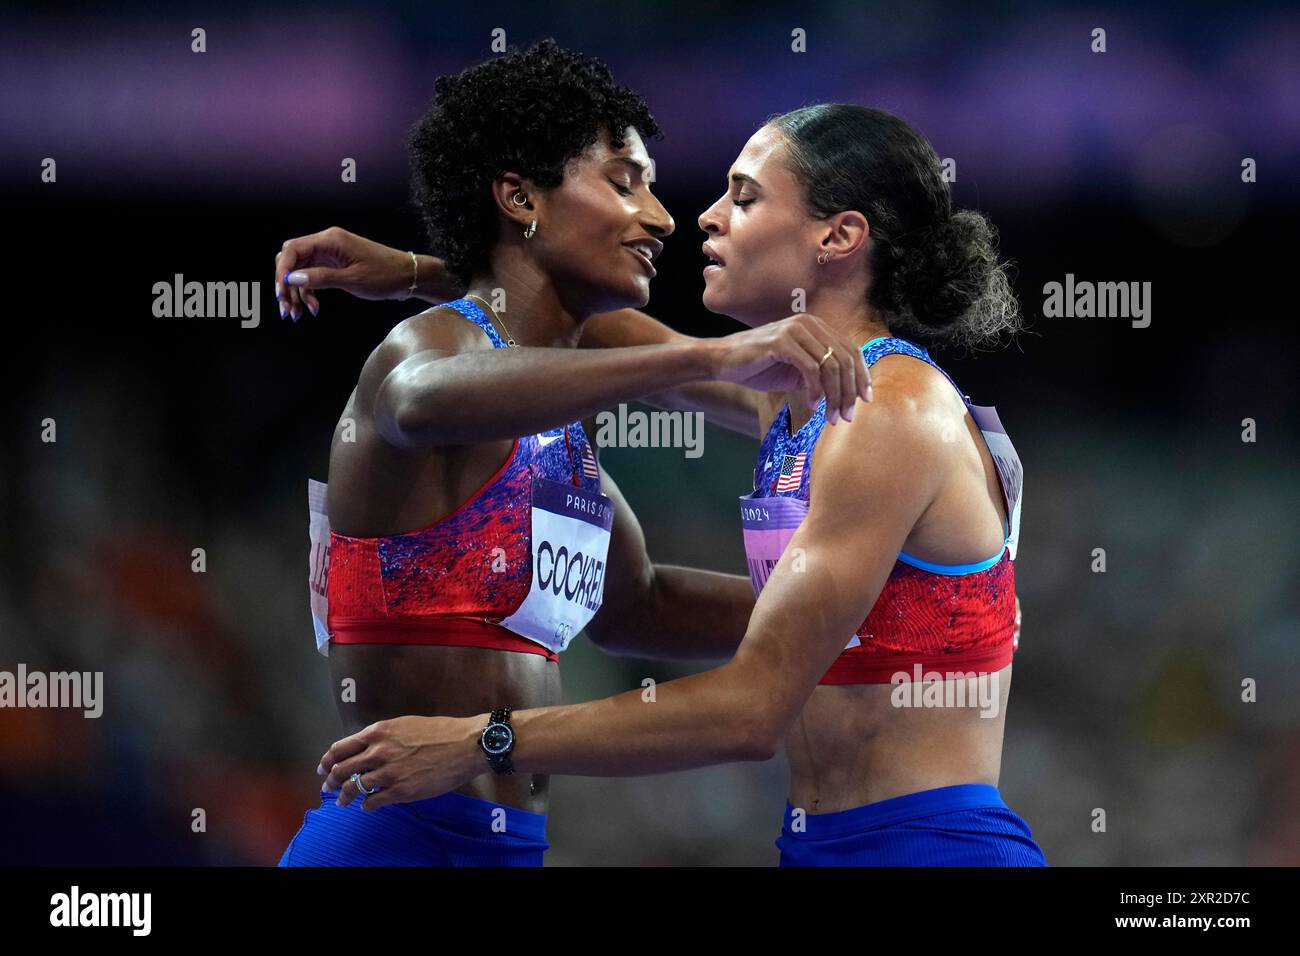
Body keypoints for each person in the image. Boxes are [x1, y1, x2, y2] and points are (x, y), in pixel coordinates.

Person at [311, 103, 1045, 866]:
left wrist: (483, 740)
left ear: (838, 236)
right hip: (827, 845)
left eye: (746, 196)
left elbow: (752, 711)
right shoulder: (804, 403)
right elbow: (577, 330)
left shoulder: (888, 411)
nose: (704, 215)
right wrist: (418, 272)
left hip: (930, 850)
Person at [276, 42, 870, 866]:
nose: (661, 217)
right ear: (520, 196)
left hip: (507, 847)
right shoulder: (425, 349)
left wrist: (847, 616)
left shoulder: (559, 421)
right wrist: (704, 356)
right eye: (625, 182)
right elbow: (418, 399)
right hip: (392, 844)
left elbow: (639, 608)